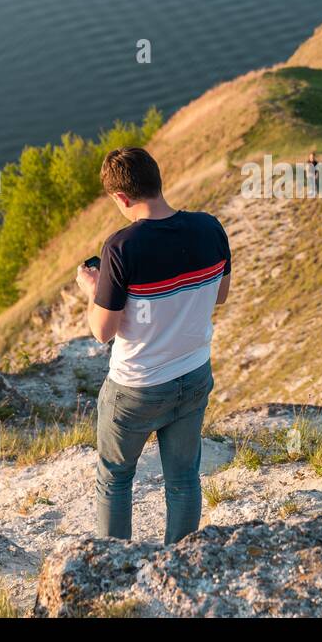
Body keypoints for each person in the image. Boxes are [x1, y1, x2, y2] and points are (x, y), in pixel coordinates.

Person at [75, 147, 230, 543]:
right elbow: (220, 294)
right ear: (159, 181)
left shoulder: (122, 247)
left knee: (115, 478)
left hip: (137, 388)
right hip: (194, 374)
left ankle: (115, 564)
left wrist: (94, 289)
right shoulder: (210, 228)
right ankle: (180, 561)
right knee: (183, 479)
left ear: (121, 198)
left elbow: (102, 331)